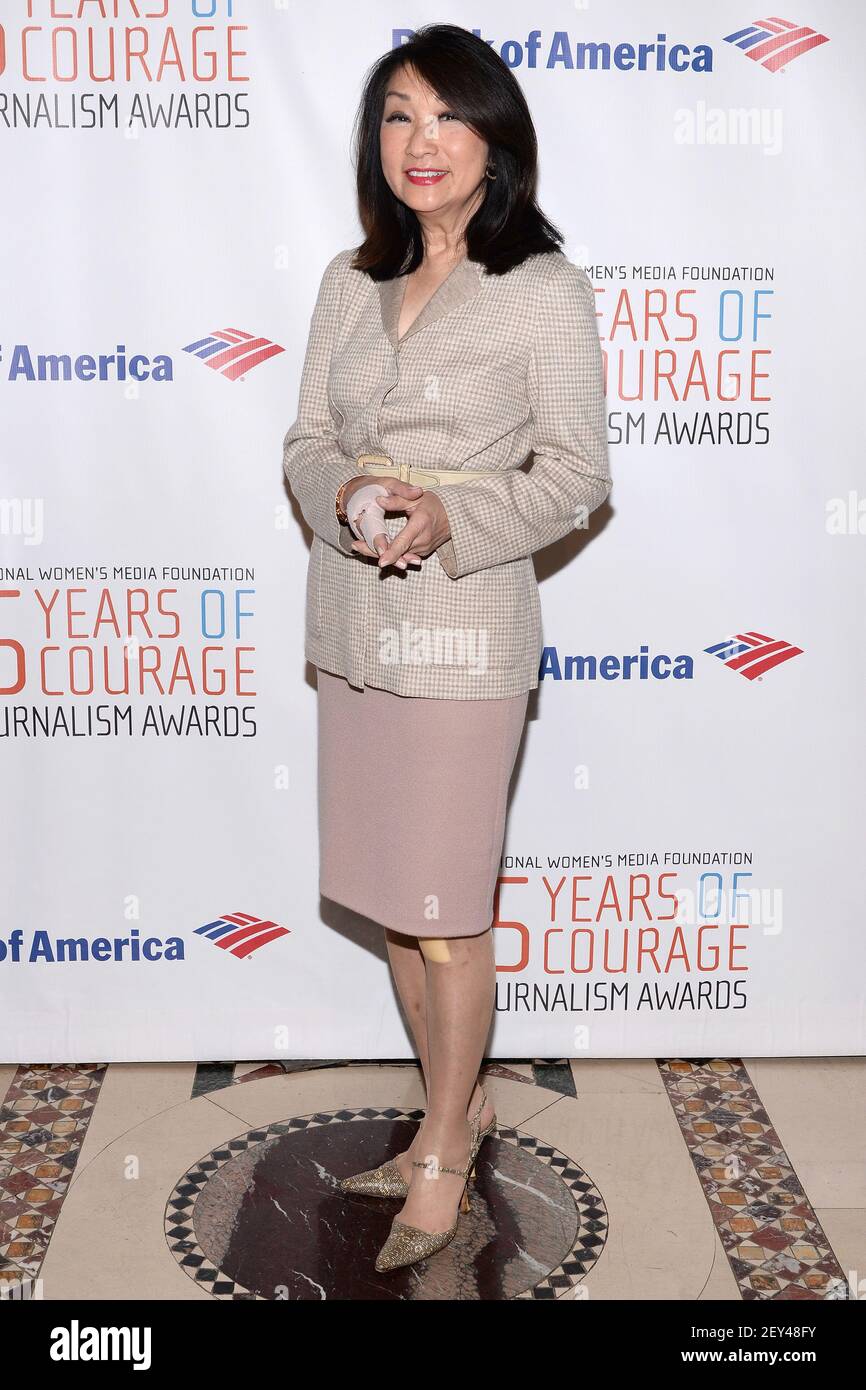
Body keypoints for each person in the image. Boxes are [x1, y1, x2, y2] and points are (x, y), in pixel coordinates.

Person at [283, 23, 611, 1274]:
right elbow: (304, 438)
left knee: (447, 914)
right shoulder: (343, 280)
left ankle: (445, 1152)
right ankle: (452, 1107)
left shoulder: (542, 290)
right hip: (353, 625)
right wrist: (350, 489)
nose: (420, 144)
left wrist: (451, 513)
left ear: (494, 142)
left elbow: (578, 476)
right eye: (397, 117)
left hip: (465, 638)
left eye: (446, 118)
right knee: (390, 903)